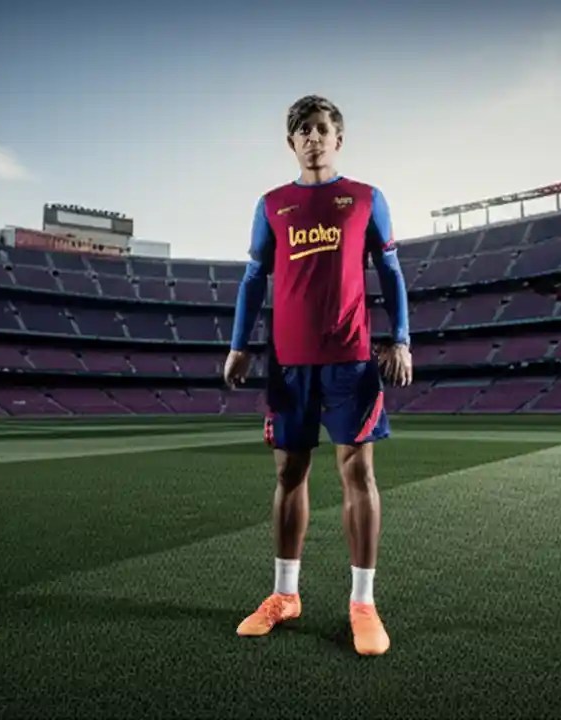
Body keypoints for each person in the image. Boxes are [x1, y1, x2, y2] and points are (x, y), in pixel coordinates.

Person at [223, 95, 412, 656]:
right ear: (291, 143)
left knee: (358, 474)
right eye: (302, 130)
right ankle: (285, 596)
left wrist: (401, 338)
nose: (312, 138)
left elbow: (393, 273)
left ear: (339, 138)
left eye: (322, 129)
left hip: (351, 361)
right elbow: (253, 279)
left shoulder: (366, 199)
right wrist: (239, 347)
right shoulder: (271, 205)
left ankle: (363, 604)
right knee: (289, 475)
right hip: (288, 363)